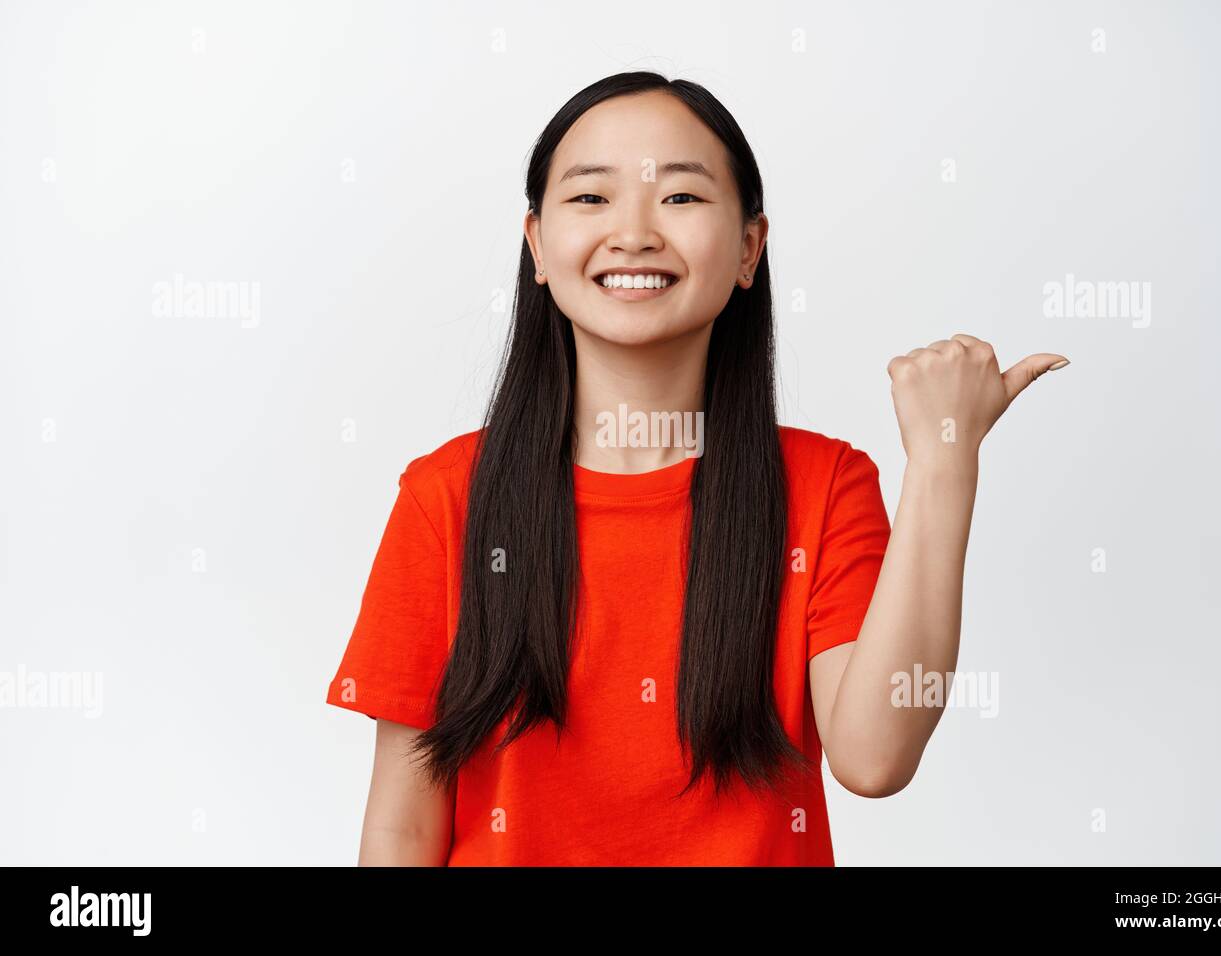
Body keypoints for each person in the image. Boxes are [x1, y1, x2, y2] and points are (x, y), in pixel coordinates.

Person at [325, 71, 1069, 866]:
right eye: (589, 199)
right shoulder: (447, 499)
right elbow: (402, 827)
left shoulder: (824, 488)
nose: (636, 232)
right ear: (538, 247)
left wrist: (945, 458)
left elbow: (874, 756)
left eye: (680, 198)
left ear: (749, 248)